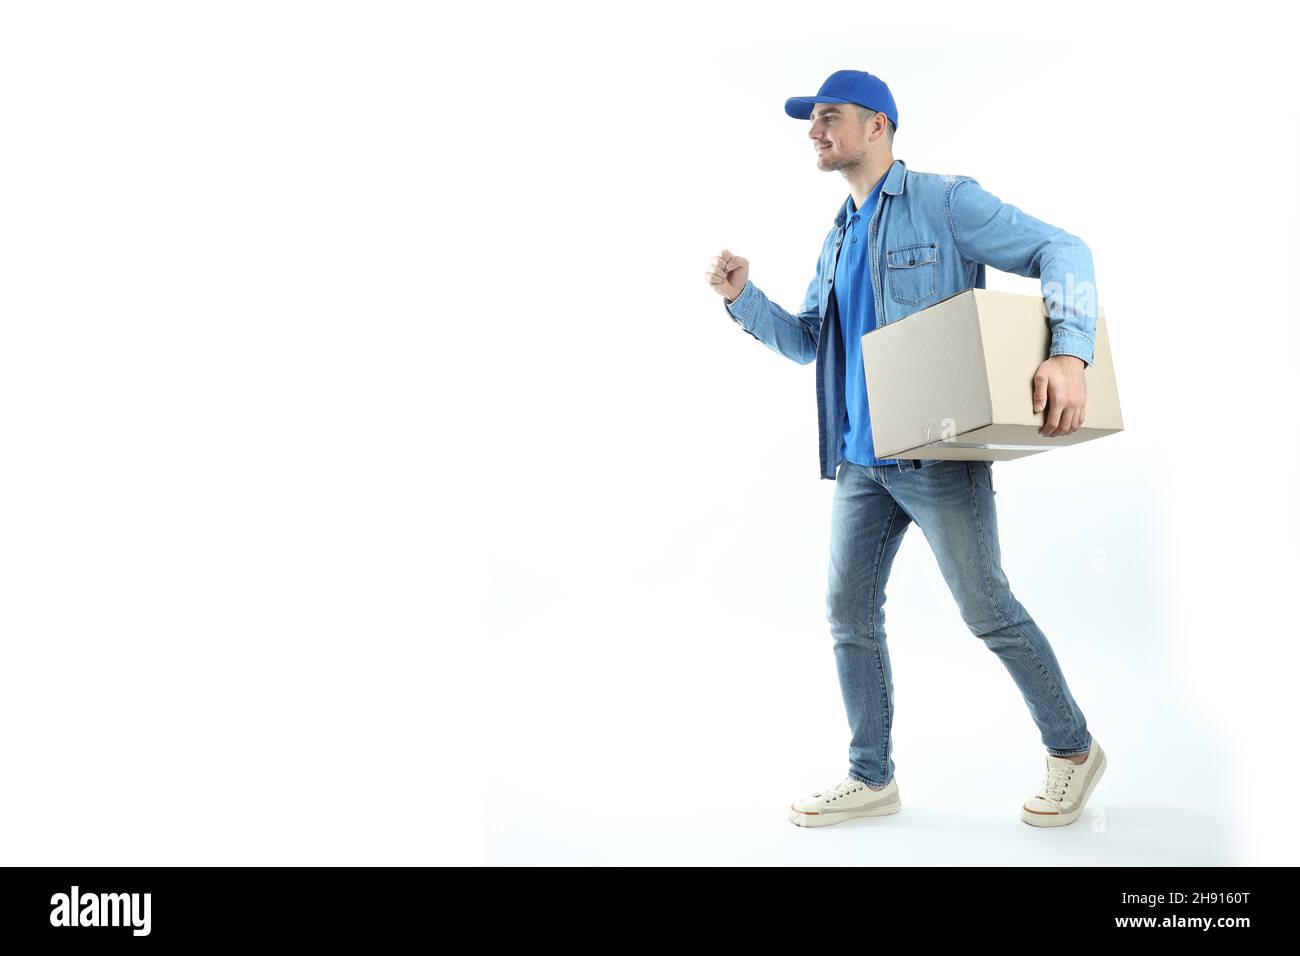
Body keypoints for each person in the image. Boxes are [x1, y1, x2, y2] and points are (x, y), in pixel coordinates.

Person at [704, 69, 1106, 828]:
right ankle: (871, 775)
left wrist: (1070, 354)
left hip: (937, 458)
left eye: (830, 117)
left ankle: (1075, 752)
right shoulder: (840, 233)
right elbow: (809, 343)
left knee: (988, 612)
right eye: (811, 121)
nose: (816, 132)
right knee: (847, 614)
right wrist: (742, 300)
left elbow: (1065, 248)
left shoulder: (945, 202)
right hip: (860, 463)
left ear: (878, 125)